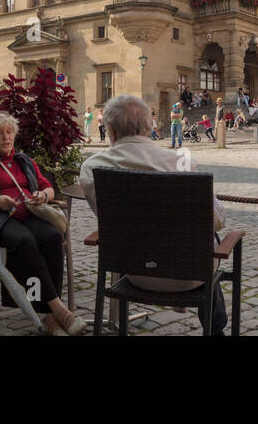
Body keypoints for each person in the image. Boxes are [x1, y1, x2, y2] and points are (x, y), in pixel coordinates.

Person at [79, 95, 229, 335]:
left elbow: (104, 216)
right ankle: (215, 330)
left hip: (132, 270)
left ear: (111, 131)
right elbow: (217, 221)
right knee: (209, 242)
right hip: (190, 273)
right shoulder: (181, 161)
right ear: (150, 128)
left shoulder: (93, 167)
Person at [0, 112, 86, 336]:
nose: (6, 137)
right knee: (24, 241)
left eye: (9, 132)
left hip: (30, 214)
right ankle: (59, 309)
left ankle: (51, 319)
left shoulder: (24, 160)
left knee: (52, 236)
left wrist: (42, 195)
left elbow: (48, 187)